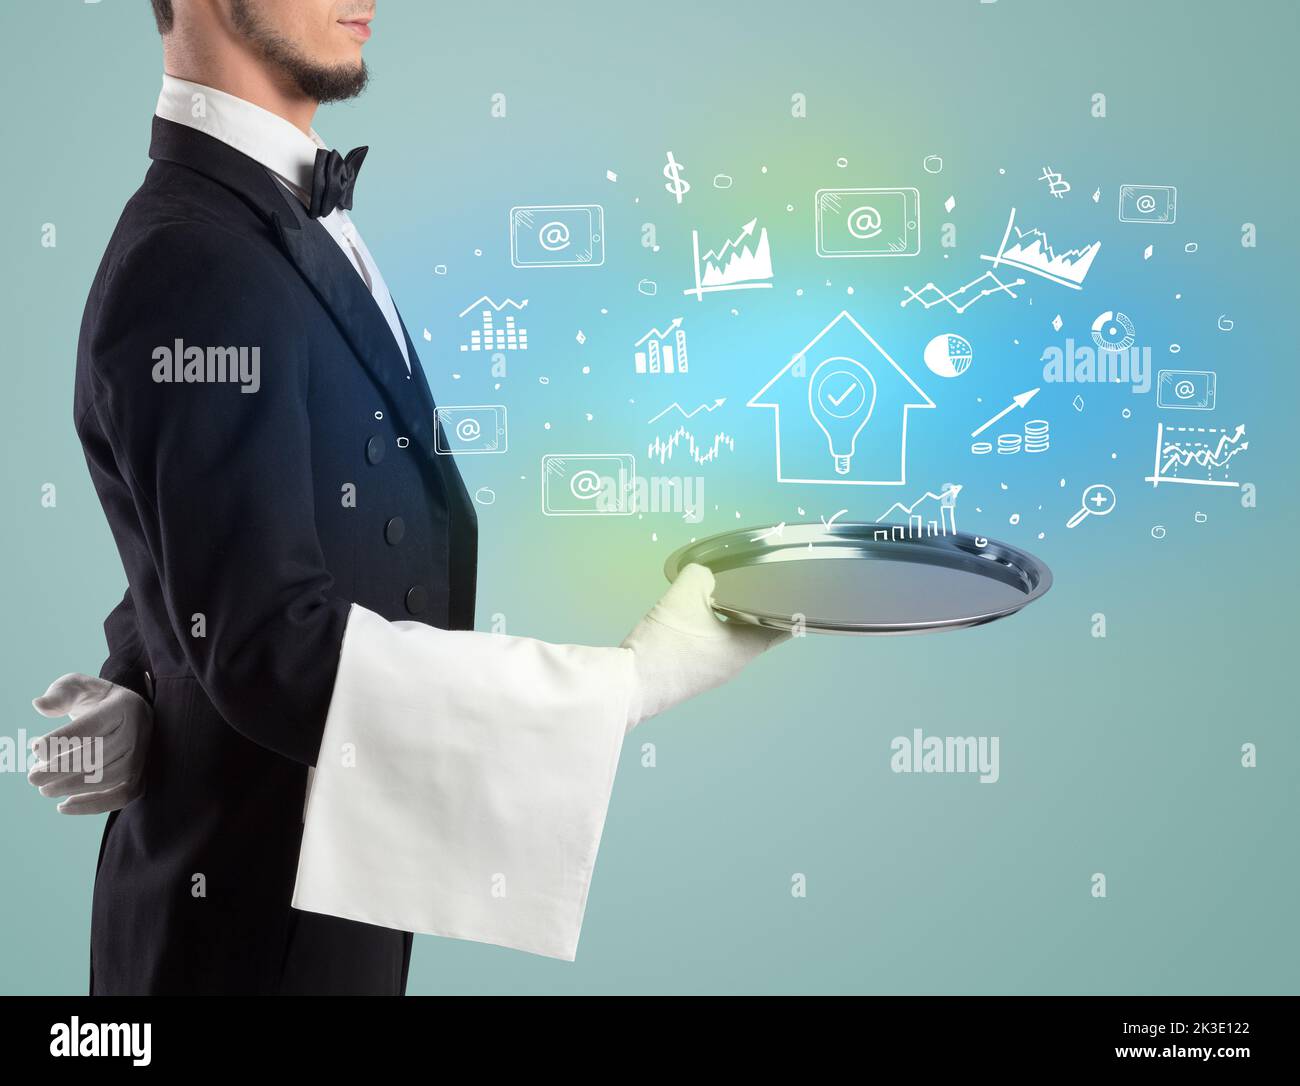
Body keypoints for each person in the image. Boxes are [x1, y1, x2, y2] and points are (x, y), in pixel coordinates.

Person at [25, 0, 785, 995]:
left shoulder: (266, 211)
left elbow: (222, 533)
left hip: (307, 887)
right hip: (253, 941)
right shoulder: (195, 259)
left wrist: (148, 679)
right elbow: (268, 648)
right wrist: (633, 683)